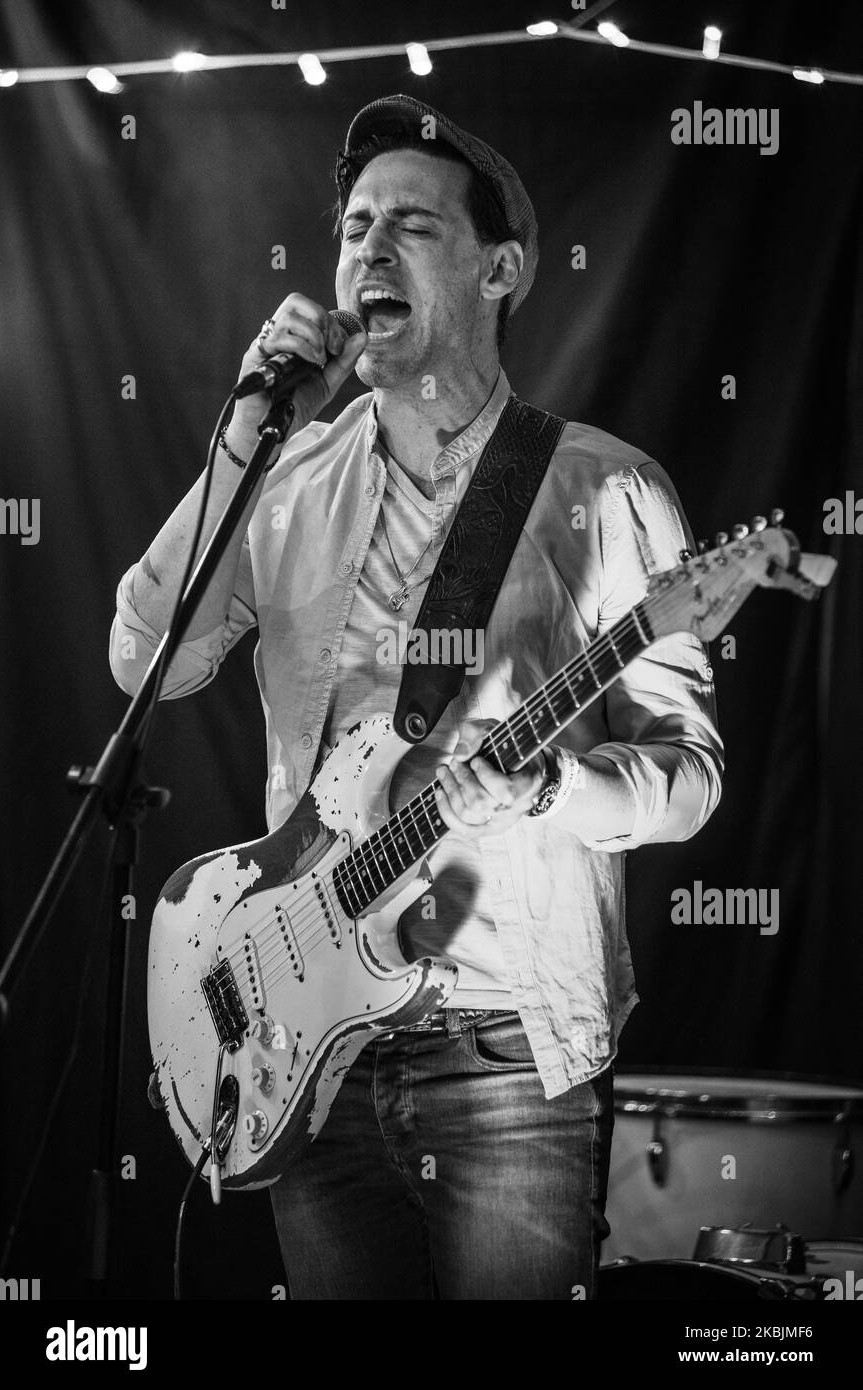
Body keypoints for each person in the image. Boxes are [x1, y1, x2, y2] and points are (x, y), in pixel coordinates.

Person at [110, 94, 723, 1300]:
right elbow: (147, 658)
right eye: (352, 228)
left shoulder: (603, 488)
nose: (367, 253)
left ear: (503, 269)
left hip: (505, 1053)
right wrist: (238, 443)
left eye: (413, 228)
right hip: (305, 1043)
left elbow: (690, 777)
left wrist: (550, 787)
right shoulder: (283, 480)